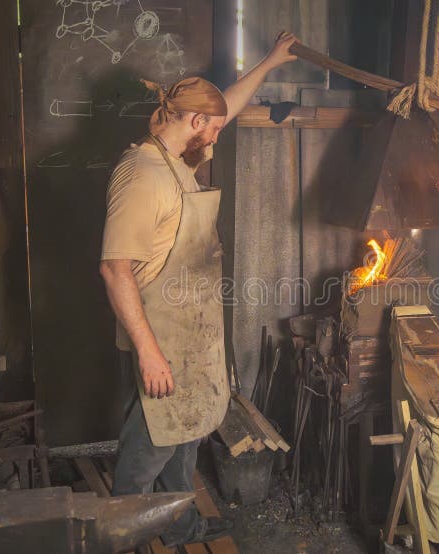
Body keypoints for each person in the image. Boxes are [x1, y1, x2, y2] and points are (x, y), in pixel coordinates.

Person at [99, 32, 297, 546]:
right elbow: (115, 270)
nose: (214, 139)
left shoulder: (175, 159)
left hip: (191, 336)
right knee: (147, 453)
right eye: (209, 131)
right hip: (162, 342)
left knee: (184, 440)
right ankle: (122, 535)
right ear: (190, 122)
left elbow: (221, 107)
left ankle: (181, 524)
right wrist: (149, 354)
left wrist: (271, 62)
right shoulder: (143, 175)